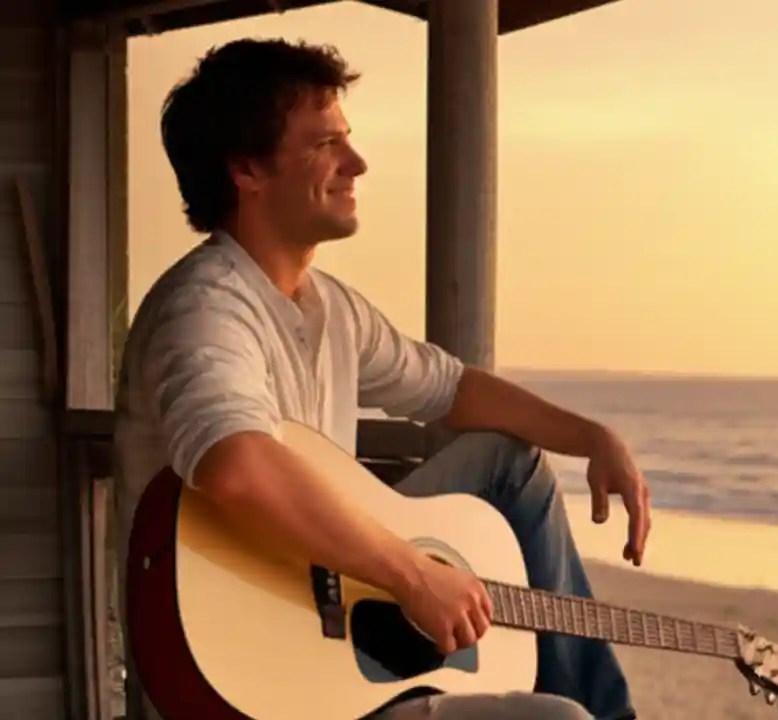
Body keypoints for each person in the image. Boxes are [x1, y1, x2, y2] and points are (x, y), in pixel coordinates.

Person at [113, 37, 650, 720]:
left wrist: (594, 437)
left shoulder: (329, 307)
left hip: (327, 619)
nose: (356, 163)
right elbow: (236, 468)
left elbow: (454, 390)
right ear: (247, 170)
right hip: (247, 684)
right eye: (323, 146)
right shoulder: (205, 309)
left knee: (506, 462)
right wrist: (410, 574)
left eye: (348, 140)